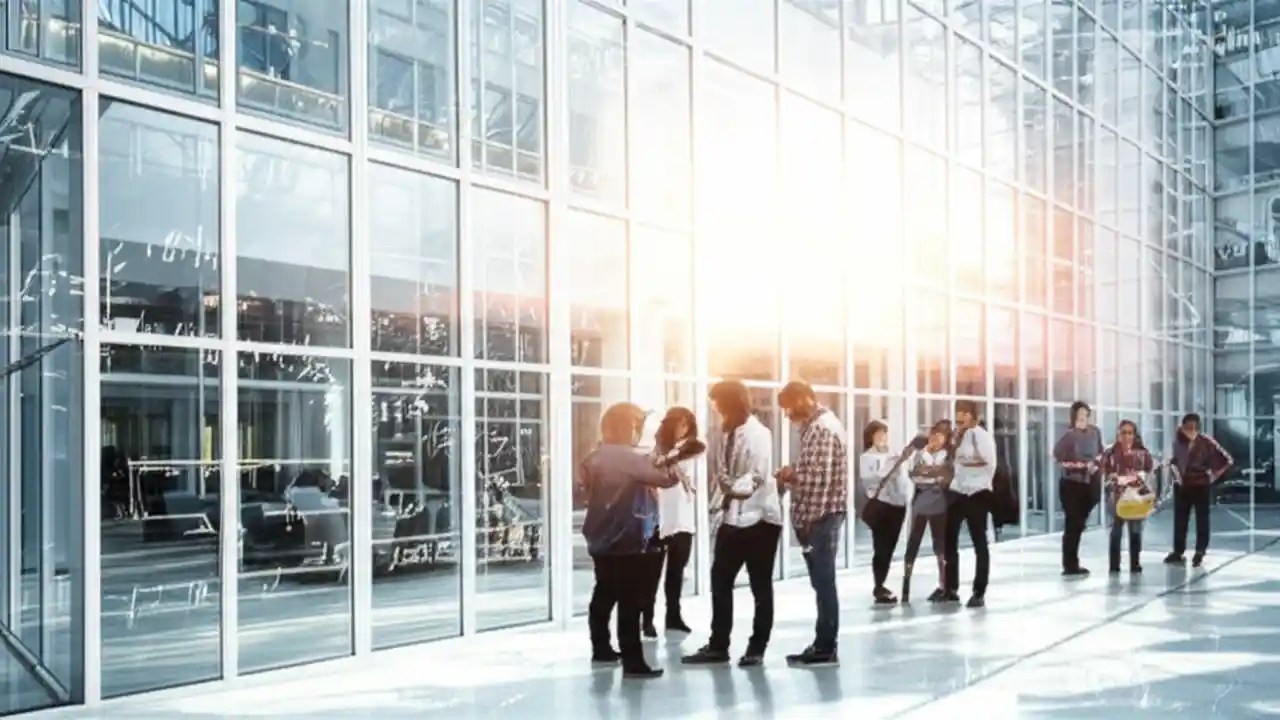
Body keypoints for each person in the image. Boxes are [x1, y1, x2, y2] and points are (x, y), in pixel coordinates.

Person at [683, 380, 782, 668]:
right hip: (732, 519)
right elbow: (724, 477)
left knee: (760, 587)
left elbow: (756, 478)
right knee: (720, 581)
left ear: (731, 404)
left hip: (760, 520)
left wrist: (729, 487)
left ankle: (757, 647)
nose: (717, 412)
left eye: (719, 406)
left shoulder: (758, 434)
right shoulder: (726, 433)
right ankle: (718, 645)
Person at [580, 402, 680, 679]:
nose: (640, 431)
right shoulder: (631, 459)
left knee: (603, 593)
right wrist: (666, 452)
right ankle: (633, 662)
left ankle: (601, 649)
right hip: (627, 539)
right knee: (630, 601)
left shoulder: (595, 456)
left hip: (600, 537)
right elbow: (667, 479)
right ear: (627, 427)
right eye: (637, 425)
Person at [775, 381, 849, 668]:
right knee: (823, 584)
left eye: (790, 408)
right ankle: (823, 644)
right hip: (826, 514)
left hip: (821, 516)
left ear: (805, 399)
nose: (787, 415)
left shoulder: (820, 429)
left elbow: (817, 481)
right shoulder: (823, 425)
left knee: (824, 584)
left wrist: (788, 476)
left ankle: (825, 647)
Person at [640, 406, 704, 636]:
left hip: (683, 520)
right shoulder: (656, 452)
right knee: (650, 573)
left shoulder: (692, 448)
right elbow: (652, 474)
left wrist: (668, 461)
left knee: (676, 573)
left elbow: (680, 465)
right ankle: (646, 620)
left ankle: (673, 616)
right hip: (660, 519)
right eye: (679, 423)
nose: (683, 428)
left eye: (687, 424)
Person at [945, 400, 997, 608]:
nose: (961, 417)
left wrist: (965, 462)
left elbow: (989, 462)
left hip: (978, 491)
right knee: (949, 539)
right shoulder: (958, 435)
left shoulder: (981, 435)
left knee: (979, 541)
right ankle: (950, 587)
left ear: (972, 415)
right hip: (958, 489)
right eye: (958, 412)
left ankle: (979, 591)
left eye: (964, 413)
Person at [1166, 413, 1233, 568]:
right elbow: (1175, 460)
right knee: (1180, 520)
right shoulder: (1178, 442)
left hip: (1200, 485)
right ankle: (1178, 551)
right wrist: (1173, 469)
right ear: (1183, 427)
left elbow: (1226, 460)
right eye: (1189, 427)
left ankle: (1200, 550)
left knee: (1202, 519)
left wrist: (1213, 475)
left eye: (1195, 427)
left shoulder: (1206, 442)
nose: (1192, 430)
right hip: (1182, 485)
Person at [859, 420, 910, 606]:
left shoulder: (892, 455)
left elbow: (902, 480)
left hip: (898, 504)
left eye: (884, 433)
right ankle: (878, 585)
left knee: (889, 547)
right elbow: (869, 480)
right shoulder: (867, 457)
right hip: (882, 505)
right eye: (878, 433)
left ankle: (882, 583)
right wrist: (889, 467)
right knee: (880, 547)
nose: (882, 437)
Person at [902, 420, 953, 604]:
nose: (936, 439)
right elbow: (914, 474)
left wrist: (928, 473)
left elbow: (946, 476)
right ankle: (905, 586)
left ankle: (943, 585)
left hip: (939, 504)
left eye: (940, 435)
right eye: (934, 434)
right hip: (921, 502)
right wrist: (932, 474)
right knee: (913, 542)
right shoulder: (920, 454)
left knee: (939, 544)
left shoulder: (948, 455)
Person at [1053, 401, 1105, 577]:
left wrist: (1095, 465)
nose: (1083, 417)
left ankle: (1072, 561)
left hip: (1090, 482)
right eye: (1080, 414)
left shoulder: (1094, 432)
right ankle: (1070, 563)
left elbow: (1100, 453)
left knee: (1079, 523)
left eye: (1085, 414)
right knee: (1073, 524)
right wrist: (1079, 465)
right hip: (1072, 483)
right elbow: (1058, 456)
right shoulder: (1069, 435)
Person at [1098, 419, 1155, 574]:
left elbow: (1149, 471)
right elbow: (1106, 472)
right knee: (1116, 532)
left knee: (1136, 532)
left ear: (1134, 434)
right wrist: (1116, 479)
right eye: (1124, 433)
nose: (1127, 436)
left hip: (1136, 498)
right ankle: (1114, 565)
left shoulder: (1143, 453)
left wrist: (1140, 479)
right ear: (1118, 434)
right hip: (1116, 498)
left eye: (1130, 433)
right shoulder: (1110, 452)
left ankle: (1135, 563)